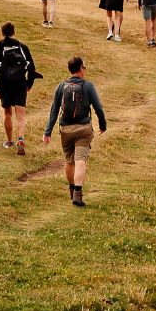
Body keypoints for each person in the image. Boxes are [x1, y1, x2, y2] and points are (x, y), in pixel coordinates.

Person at [43, 55, 107, 207]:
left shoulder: (61, 86)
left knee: (69, 161)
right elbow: (98, 108)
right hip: (83, 128)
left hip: (65, 129)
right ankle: (78, 193)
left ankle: (71, 189)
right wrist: (103, 124)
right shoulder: (88, 86)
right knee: (80, 161)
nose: (84, 70)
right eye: (84, 67)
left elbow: (54, 110)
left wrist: (48, 131)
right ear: (80, 69)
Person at [0, 21, 42, 154]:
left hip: (5, 84)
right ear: (14, 32)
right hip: (20, 83)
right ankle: (21, 139)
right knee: (20, 115)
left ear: (2, 33)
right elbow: (31, 67)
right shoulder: (22, 47)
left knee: (7, 113)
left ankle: (9, 141)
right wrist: (29, 84)